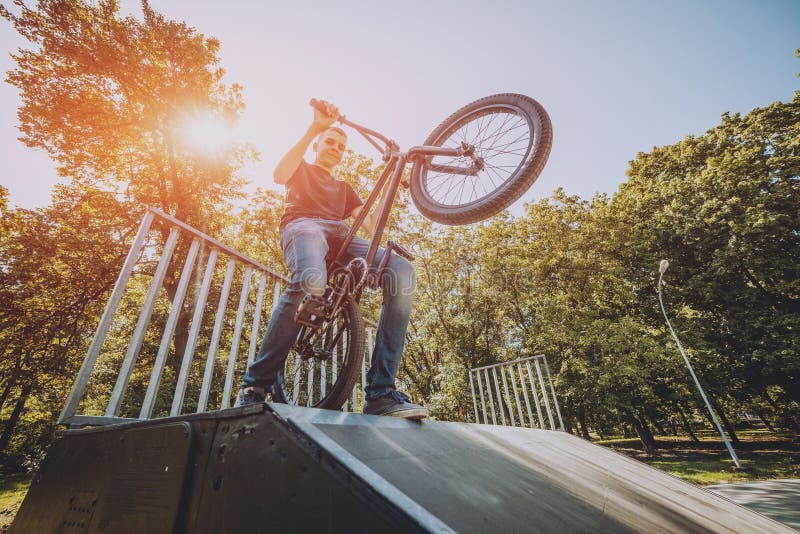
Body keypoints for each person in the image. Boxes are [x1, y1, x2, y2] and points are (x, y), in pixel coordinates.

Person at [234, 100, 428, 419]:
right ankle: (256, 385)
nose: (335, 148)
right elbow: (279, 173)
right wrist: (316, 127)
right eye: (330, 142)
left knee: (402, 271)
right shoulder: (301, 169)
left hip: (341, 234)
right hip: (304, 225)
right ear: (318, 145)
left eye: (340, 146)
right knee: (311, 279)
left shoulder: (345, 188)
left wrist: (398, 175)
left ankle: (381, 393)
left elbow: (373, 223)